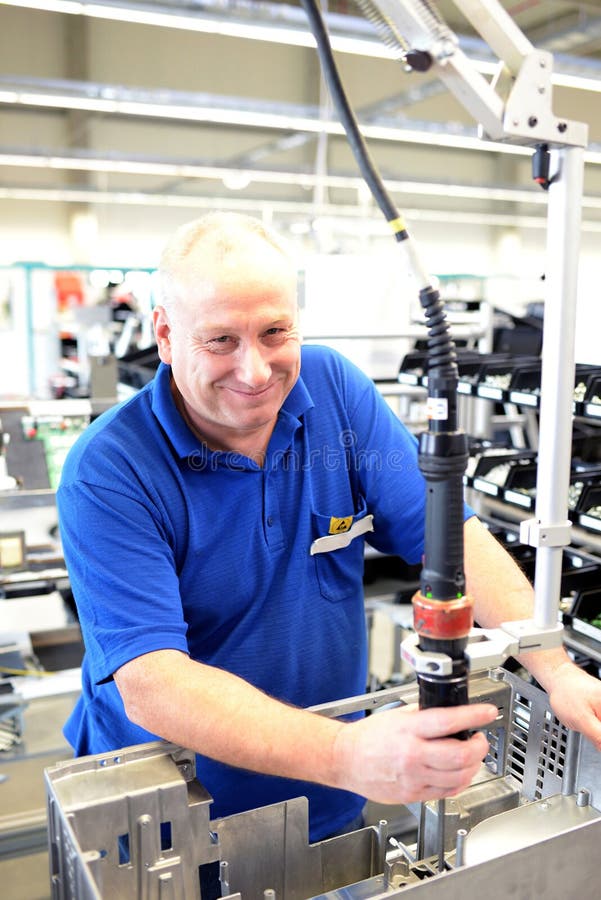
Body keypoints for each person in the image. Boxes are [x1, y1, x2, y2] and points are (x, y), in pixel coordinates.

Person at [57, 211, 601, 845]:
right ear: (165, 334)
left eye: (274, 331)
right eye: (221, 341)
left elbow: (449, 535)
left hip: (327, 801)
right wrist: (349, 755)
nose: (256, 371)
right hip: (168, 822)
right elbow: (155, 683)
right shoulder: (110, 470)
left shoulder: (334, 391)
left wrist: (553, 667)